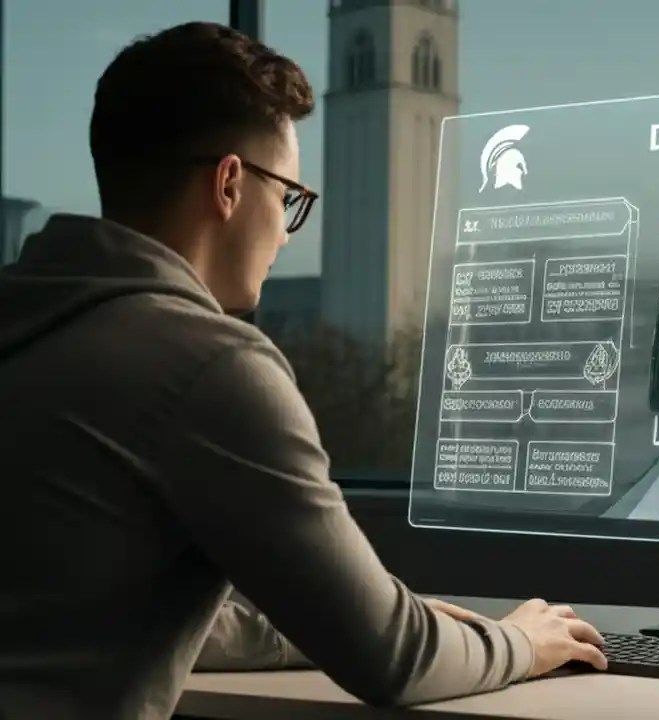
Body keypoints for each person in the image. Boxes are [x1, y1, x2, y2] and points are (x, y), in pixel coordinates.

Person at [0, 21, 606, 720]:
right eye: (287, 197)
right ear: (229, 183)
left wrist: (330, 619)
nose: (287, 233)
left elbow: (89, 603)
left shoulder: (35, 320)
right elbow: (393, 658)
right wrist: (519, 642)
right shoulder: (210, 365)